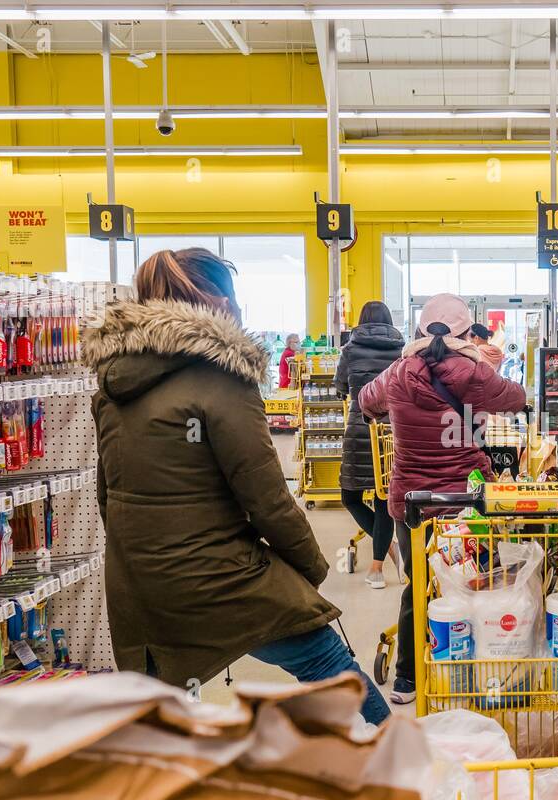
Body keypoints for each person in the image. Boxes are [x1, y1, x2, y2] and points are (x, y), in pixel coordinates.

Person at [84, 247, 390, 724]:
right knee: (324, 659)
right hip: (220, 577)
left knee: (173, 706)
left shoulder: (112, 384)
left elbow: (107, 498)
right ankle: (399, 762)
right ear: (218, 303)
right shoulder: (223, 379)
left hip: (138, 582)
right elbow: (266, 498)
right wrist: (309, 567)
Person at [359, 293, 527, 704]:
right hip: (465, 502)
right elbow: (517, 397)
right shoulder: (475, 373)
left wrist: (385, 413)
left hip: (412, 501)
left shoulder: (398, 373)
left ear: (419, 330)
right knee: (477, 581)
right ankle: (476, 674)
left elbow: (366, 401)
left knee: (421, 583)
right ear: (466, 332)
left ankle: (407, 680)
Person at [334, 301, 404, 589]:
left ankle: (381, 562)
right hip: (393, 430)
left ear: (362, 321)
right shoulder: (401, 351)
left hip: (360, 428)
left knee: (350, 497)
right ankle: (385, 554)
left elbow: (341, 387)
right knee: (383, 497)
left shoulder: (350, 350)